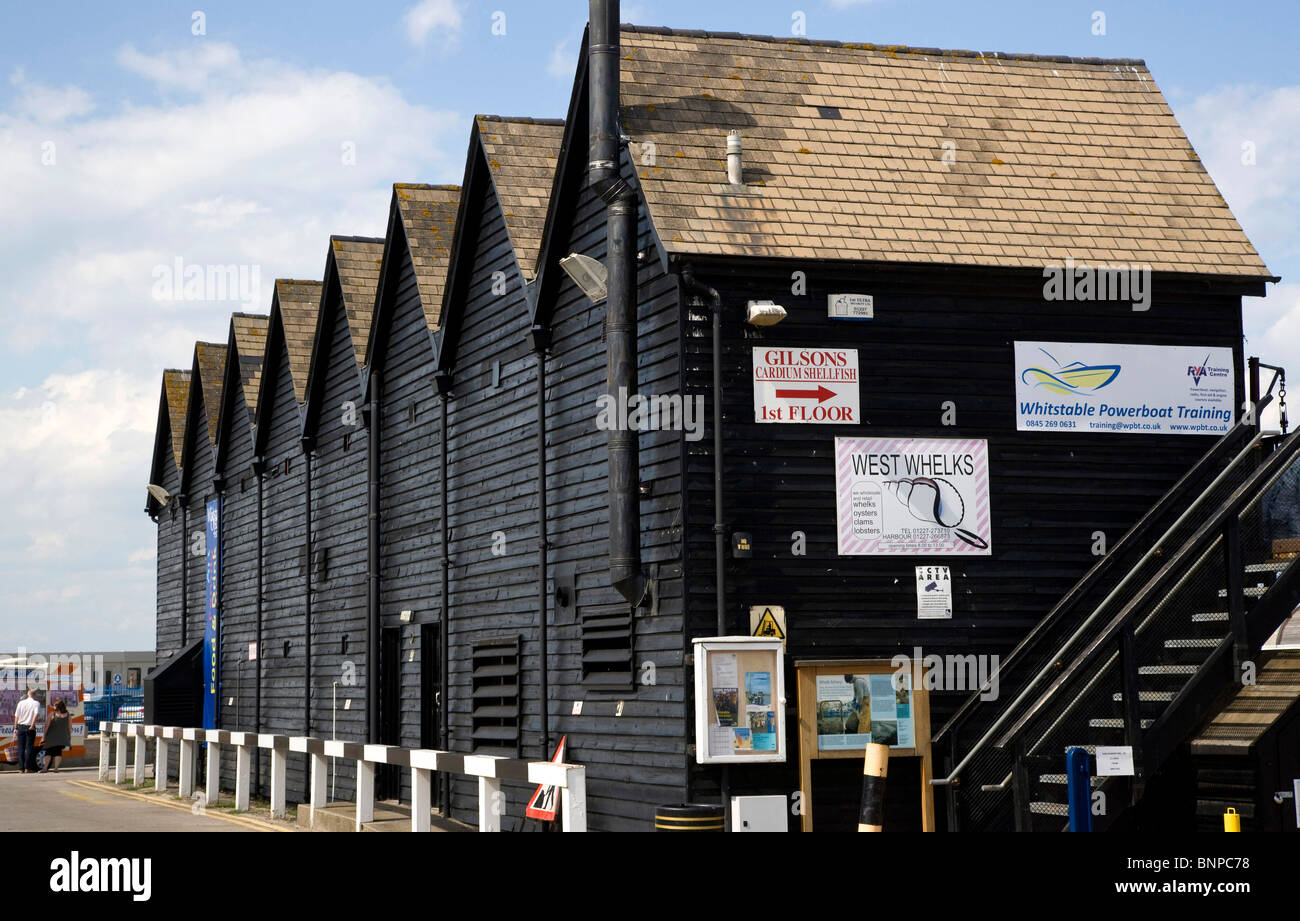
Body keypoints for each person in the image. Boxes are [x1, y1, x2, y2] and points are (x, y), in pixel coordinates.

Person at [13, 688, 40, 774]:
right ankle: (28, 768)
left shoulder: (21, 703)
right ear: (34, 695)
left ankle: (21, 768)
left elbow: (16, 716)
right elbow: (36, 715)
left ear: (28, 694)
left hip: (20, 727)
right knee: (29, 748)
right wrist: (32, 725)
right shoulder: (36, 703)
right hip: (30, 727)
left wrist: (15, 727)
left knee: (21, 748)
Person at [40, 700, 71, 773]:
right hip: (62, 737)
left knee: (48, 752)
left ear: (57, 706)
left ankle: (45, 768)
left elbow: (46, 726)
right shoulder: (68, 715)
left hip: (51, 736)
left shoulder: (52, 714)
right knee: (58, 752)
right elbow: (69, 727)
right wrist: (69, 736)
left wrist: (44, 736)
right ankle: (56, 768)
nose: (53, 707)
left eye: (54, 705)